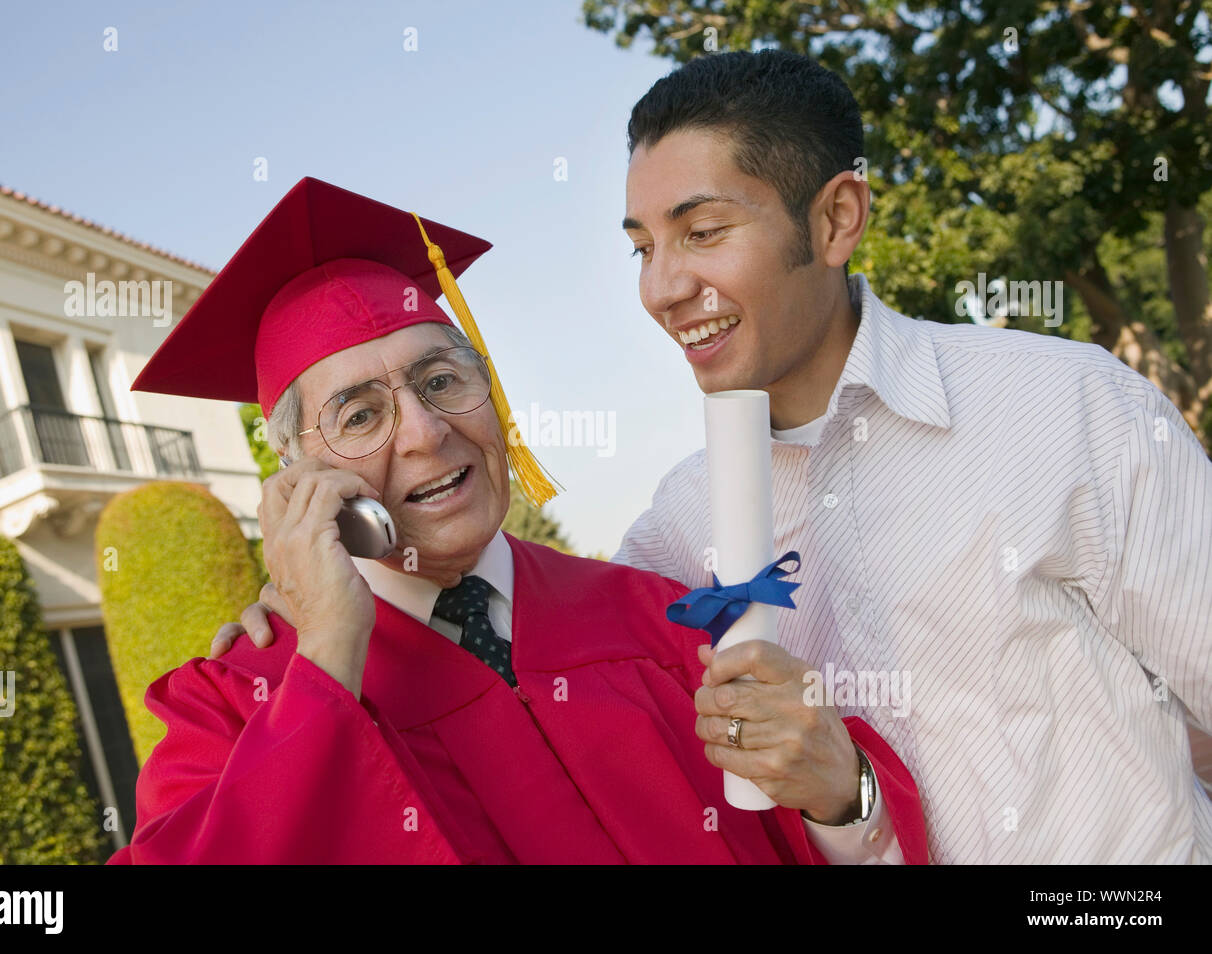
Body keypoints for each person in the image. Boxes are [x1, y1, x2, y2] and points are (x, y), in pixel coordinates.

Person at [221, 51, 1212, 864]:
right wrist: (316, 609)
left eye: (701, 232)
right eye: (641, 246)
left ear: (834, 219)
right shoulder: (675, 538)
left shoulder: (1065, 407)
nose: (662, 286)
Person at [109, 176, 928, 864]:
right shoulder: (235, 705)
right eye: (359, 417)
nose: (428, 433)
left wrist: (844, 798)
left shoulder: (656, 619)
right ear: (299, 477)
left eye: (441, 381)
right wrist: (325, 657)